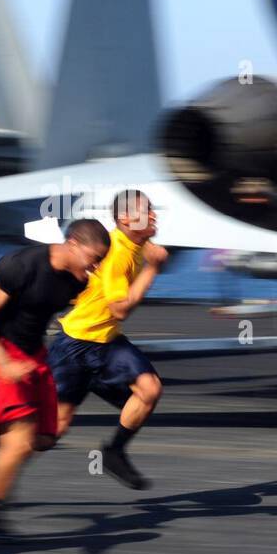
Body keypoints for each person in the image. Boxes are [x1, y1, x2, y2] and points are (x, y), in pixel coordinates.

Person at [0, 219, 111, 542]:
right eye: (95, 258)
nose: (97, 267)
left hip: (32, 356)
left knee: (46, 437)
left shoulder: (77, 281)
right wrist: (1, 360)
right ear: (72, 243)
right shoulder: (21, 265)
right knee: (19, 438)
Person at [48, 191, 167, 489]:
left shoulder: (136, 242)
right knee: (51, 433)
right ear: (125, 219)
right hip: (75, 345)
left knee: (150, 390)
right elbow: (120, 309)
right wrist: (152, 269)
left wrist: (149, 250)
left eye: (152, 210)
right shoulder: (117, 254)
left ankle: (114, 452)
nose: (153, 216)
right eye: (146, 212)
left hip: (108, 343)